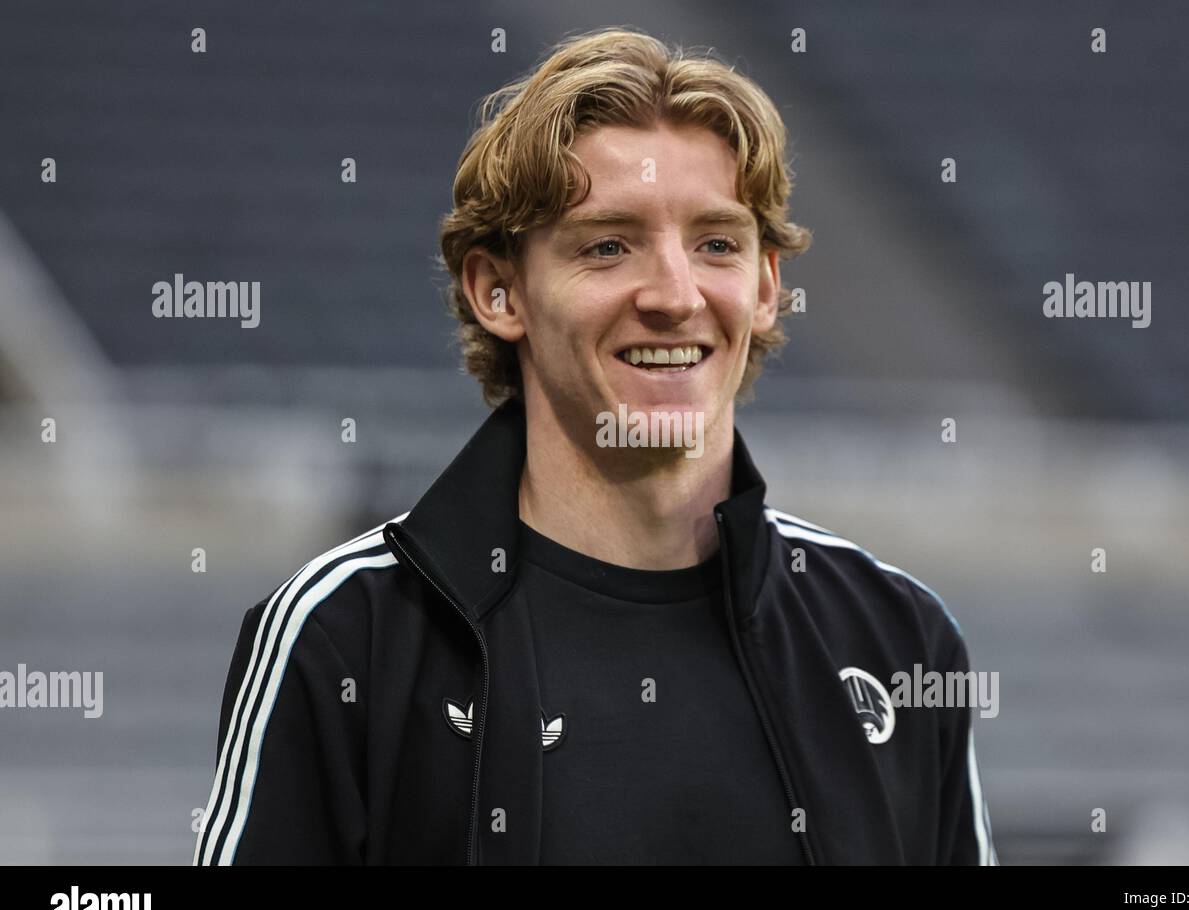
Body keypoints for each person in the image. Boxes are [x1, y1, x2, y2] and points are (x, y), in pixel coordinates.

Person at [194, 27, 997, 865]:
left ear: (764, 289)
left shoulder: (896, 637)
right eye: (609, 244)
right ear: (498, 290)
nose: (675, 296)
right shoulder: (346, 636)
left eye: (716, 243)